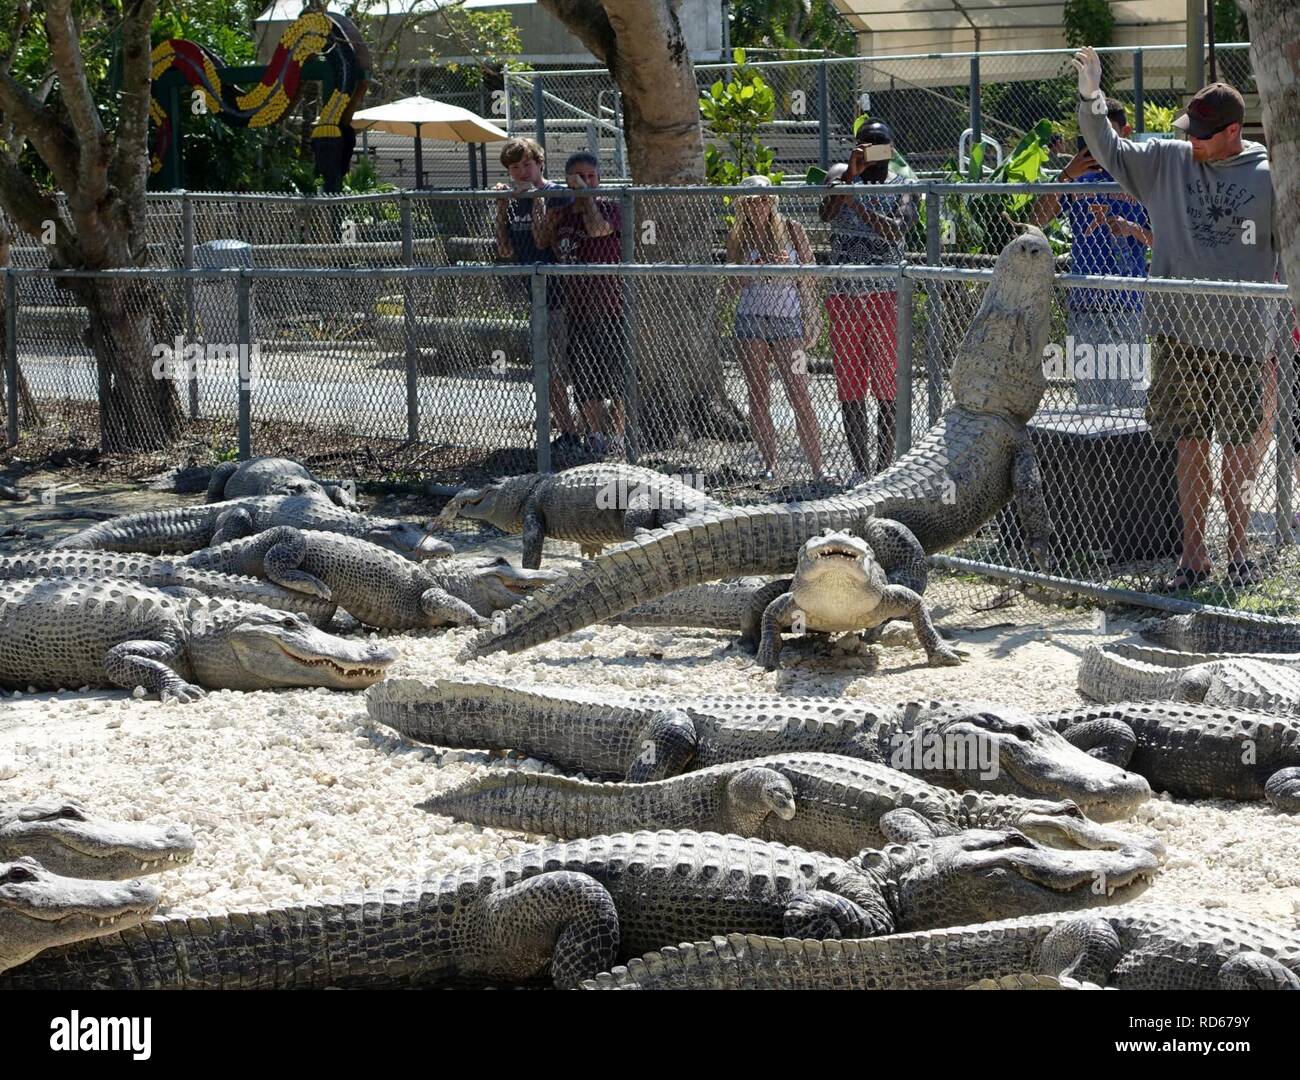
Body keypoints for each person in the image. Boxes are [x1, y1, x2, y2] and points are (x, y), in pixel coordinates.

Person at [1074, 47, 1281, 590]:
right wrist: (1092, 97)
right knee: (1189, 445)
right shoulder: (1167, 159)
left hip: (1241, 338)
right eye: (1190, 130)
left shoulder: (1271, 175)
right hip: (1177, 333)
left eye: (1205, 134)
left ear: (1234, 131)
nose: (1194, 140)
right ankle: (1193, 556)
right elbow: (1109, 149)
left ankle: (1238, 554)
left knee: (1237, 451)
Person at [1029, 101, 1152, 409]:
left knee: (1129, 401)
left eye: (1106, 133)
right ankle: (1093, 456)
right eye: (1092, 134)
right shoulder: (1078, 178)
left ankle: (1127, 456)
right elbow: (1037, 220)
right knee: (1089, 402)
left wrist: (1132, 229)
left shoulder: (1142, 177)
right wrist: (1066, 175)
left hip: (1128, 302)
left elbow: (1163, 240)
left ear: (1125, 132)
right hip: (1085, 302)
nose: (1099, 142)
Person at [820, 122, 918, 481]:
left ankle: (884, 468)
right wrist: (851, 176)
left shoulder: (904, 184)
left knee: (887, 384)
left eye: (880, 144)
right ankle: (861, 469)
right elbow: (825, 214)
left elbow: (897, 228)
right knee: (850, 385)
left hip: (886, 294)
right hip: (844, 294)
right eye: (867, 143)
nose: (874, 149)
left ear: (891, 148)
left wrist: (858, 204)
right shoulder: (839, 174)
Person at [724, 175, 831, 483]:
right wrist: (748, 271)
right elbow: (730, 287)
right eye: (751, 200)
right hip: (751, 318)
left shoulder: (792, 230)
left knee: (799, 392)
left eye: (764, 199)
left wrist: (812, 318)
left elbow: (809, 278)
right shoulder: (737, 238)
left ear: (772, 201)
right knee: (758, 393)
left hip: (788, 319)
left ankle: (818, 467)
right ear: (742, 205)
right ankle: (769, 463)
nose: (758, 205)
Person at [536, 151, 627, 459]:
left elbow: (597, 229)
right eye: (579, 177)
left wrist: (586, 196)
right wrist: (542, 198)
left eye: (590, 177)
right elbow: (542, 241)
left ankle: (617, 437)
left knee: (616, 382)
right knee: (585, 381)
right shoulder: (562, 215)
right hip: (576, 310)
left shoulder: (611, 209)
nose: (586, 182)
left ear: (599, 179)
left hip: (611, 308)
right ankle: (596, 436)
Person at [492, 138, 579, 451]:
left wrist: (538, 197)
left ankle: (595, 431)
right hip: (536, 298)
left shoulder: (555, 194)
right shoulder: (514, 200)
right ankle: (567, 432)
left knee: (576, 366)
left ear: (540, 163)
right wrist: (503, 209)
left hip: (567, 296)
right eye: (514, 167)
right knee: (548, 369)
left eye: (527, 164)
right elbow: (504, 249)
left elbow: (543, 240)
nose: (521, 171)